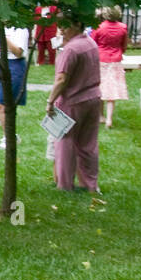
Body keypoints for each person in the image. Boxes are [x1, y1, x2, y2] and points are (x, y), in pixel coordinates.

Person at [47, 16, 101, 192]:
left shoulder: (70, 50)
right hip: (93, 98)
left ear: (78, 24)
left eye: (65, 26)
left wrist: (50, 101)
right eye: (60, 27)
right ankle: (90, 185)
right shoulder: (90, 43)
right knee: (88, 144)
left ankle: (64, 185)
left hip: (72, 101)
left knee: (64, 142)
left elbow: (61, 78)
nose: (62, 30)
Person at [0, 23, 30, 148]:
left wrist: (2, 37)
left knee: (1, 104)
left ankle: (10, 138)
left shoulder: (20, 29)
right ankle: (8, 136)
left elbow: (18, 52)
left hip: (14, 65)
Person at [92, 6, 129, 128]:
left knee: (100, 87)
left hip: (101, 59)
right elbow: (124, 45)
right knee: (112, 90)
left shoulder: (99, 27)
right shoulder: (123, 27)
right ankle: (109, 119)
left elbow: (93, 43)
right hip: (115, 61)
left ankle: (100, 116)